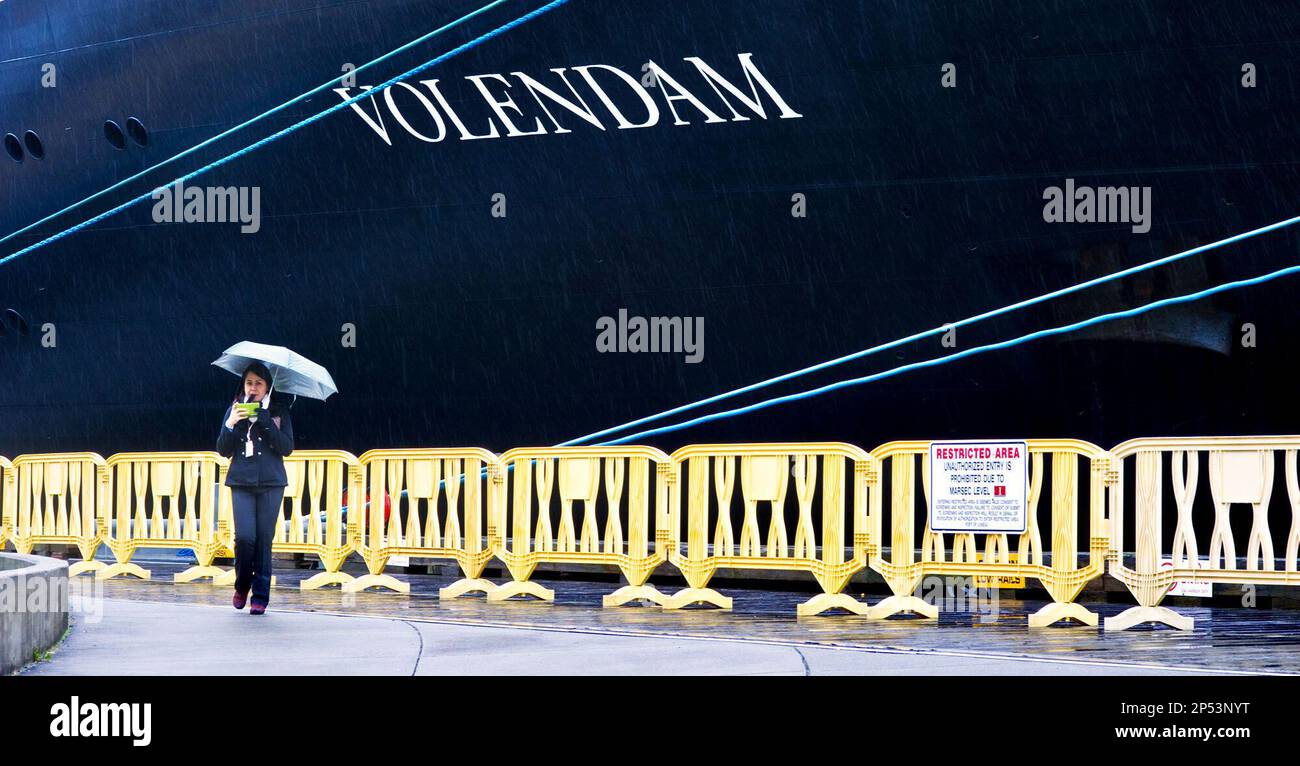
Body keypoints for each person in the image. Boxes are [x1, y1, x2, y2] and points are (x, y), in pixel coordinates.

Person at [216, 362, 294, 615]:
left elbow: (286, 448)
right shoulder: (235, 409)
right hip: (241, 481)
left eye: (259, 383)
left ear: (267, 387)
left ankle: (260, 595)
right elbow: (223, 450)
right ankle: (241, 584)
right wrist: (231, 424)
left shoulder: (279, 410)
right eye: (249, 383)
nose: (253, 388)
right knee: (245, 537)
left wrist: (266, 422)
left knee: (264, 540)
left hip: (271, 482)